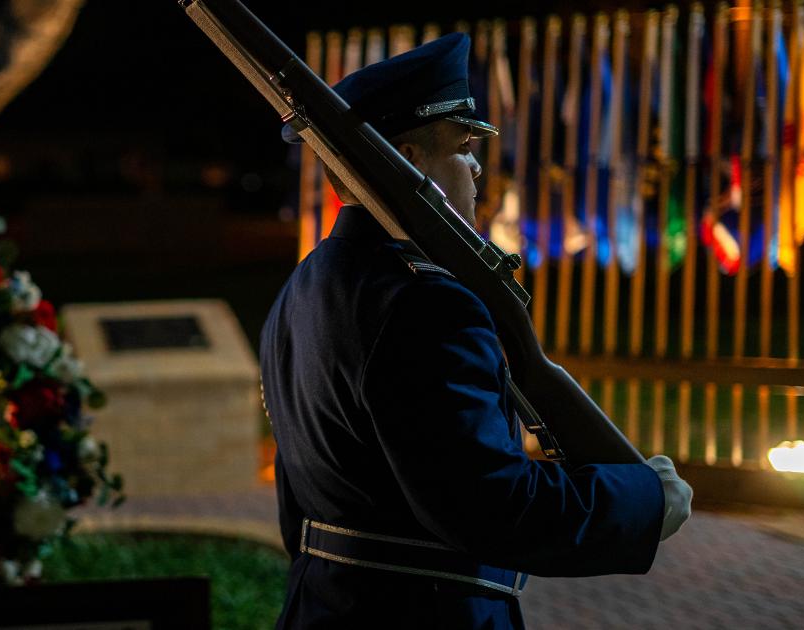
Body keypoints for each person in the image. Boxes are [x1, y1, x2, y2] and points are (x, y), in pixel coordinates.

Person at [259, 32, 692, 629]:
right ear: (411, 161)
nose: (477, 166)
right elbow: (490, 504)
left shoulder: (301, 287)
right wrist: (644, 501)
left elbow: (298, 504)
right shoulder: (426, 303)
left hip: (326, 605)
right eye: (463, 147)